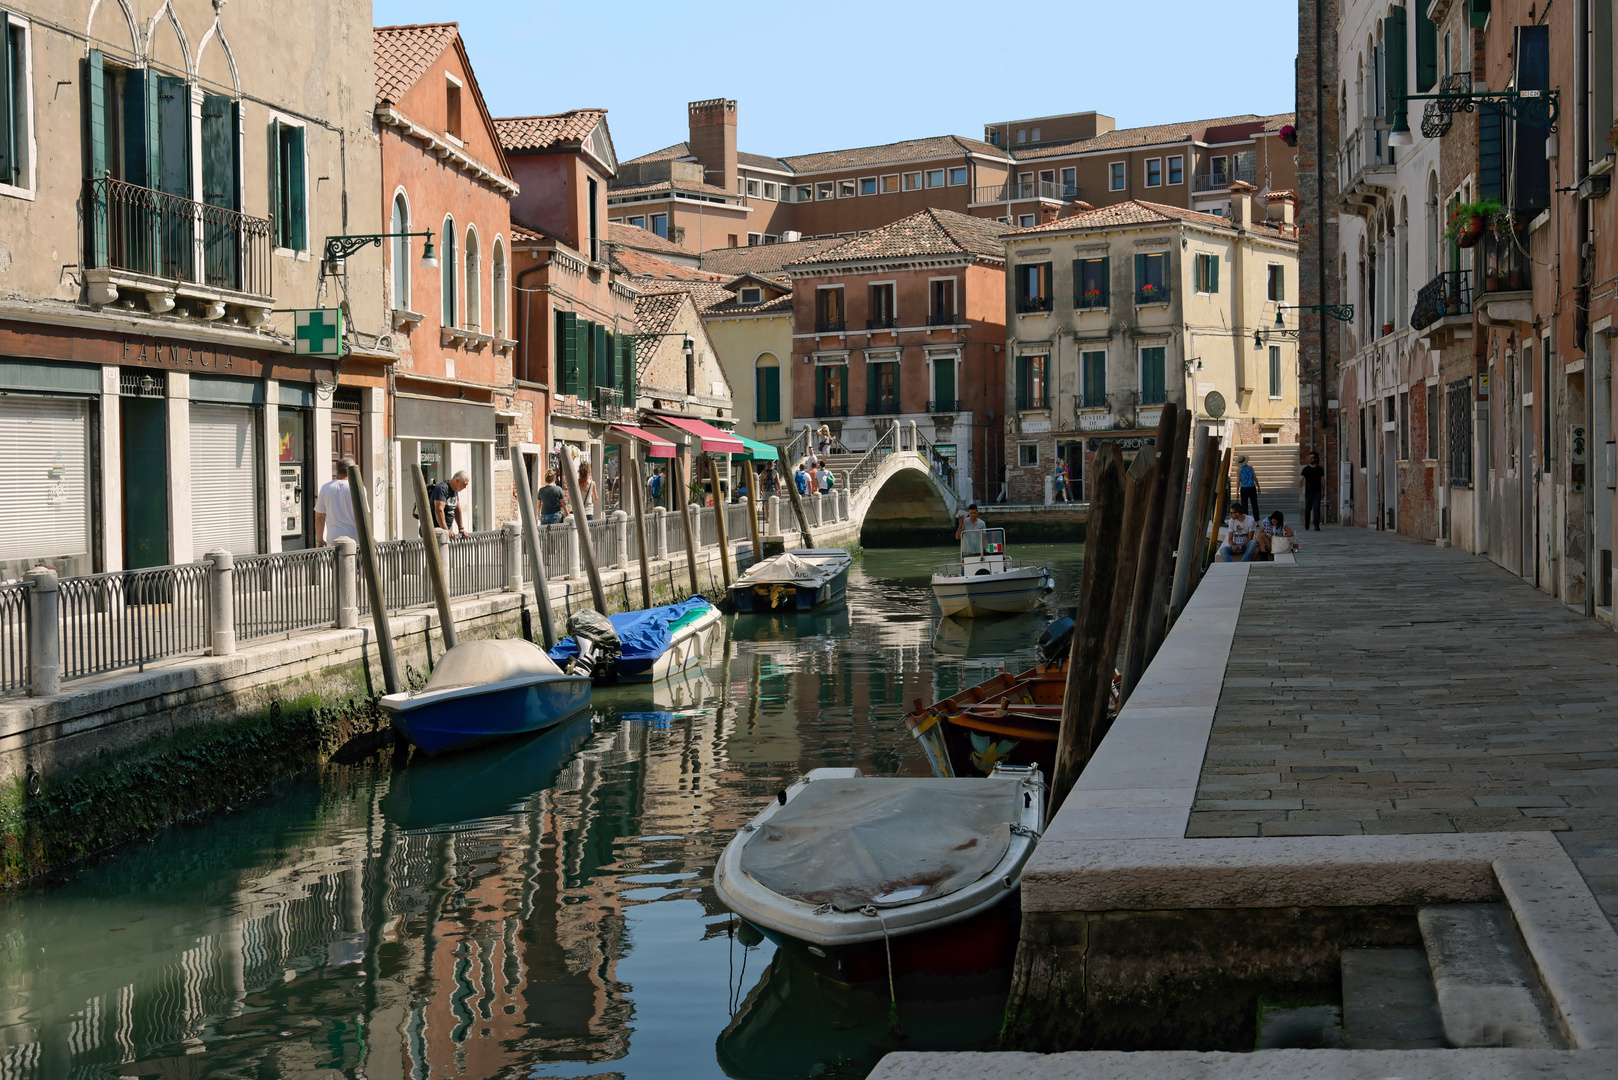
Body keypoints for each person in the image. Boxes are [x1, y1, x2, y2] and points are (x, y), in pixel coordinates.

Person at [314, 457, 358, 547]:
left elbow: (320, 517)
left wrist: (320, 541)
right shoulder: (357, 488)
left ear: (338, 471)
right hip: (354, 538)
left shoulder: (326, 488)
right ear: (352, 471)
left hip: (333, 538)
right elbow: (365, 516)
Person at [429, 470, 470, 539]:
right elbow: (439, 510)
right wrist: (446, 530)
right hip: (434, 532)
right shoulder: (442, 488)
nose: (465, 487)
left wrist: (461, 528)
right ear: (457, 480)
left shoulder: (455, 490)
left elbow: (457, 509)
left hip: (443, 532)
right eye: (464, 484)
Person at [1301, 452, 1325, 531]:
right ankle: (1307, 523)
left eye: (1312, 458)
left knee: (1317, 508)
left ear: (1316, 459)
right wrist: (1300, 488)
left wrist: (1323, 490)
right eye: (1309, 458)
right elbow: (1301, 479)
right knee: (1308, 508)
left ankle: (1316, 525)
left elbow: (1322, 480)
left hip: (1317, 491)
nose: (1310, 459)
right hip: (1309, 492)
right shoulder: (1306, 469)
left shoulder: (1320, 469)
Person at [1236, 454, 1260, 519]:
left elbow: (1238, 481)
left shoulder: (1239, 470)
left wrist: (1237, 491)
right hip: (1252, 487)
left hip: (1244, 488)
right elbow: (1255, 478)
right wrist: (1258, 487)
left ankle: (1245, 519)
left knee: (1244, 505)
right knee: (1254, 504)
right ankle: (1256, 520)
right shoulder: (1250, 467)